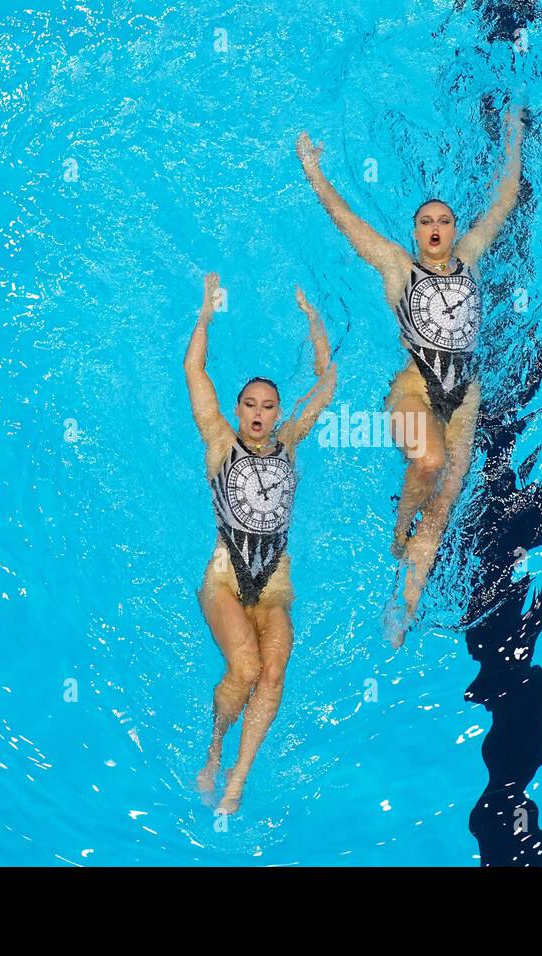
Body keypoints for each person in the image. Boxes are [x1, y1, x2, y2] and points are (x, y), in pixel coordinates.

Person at [295, 106, 524, 645]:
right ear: (416, 232)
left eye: (444, 220)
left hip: (465, 398)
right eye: (427, 221)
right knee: (430, 460)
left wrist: (513, 132)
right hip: (415, 389)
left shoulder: (470, 256)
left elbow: (504, 200)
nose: (437, 228)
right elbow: (349, 223)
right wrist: (313, 171)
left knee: (442, 509)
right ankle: (399, 534)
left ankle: (404, 606)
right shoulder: (399, 266)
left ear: (454, 229)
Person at [185, 272, 336, 813]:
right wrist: (205, 315)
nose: (258, 413)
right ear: (237, 409)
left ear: (278, 413)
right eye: (249, 403)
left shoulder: (290, 442)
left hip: (274, 582)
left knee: (274, 671)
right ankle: (214, 750)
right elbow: (194, 371)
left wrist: (314, 320)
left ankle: (239, 776)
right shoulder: (218, 441)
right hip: (225, 577)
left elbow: (327, 383)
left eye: (269, 405)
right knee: (245, 668)